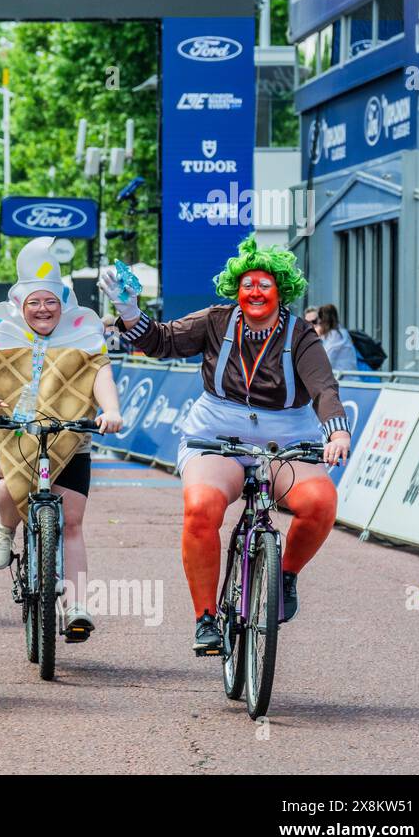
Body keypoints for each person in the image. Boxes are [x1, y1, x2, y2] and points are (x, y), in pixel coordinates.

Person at [101, 237, 350, 654]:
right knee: (201, 509)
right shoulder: (216, 321)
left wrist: (337, 432)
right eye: (247, 284)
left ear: (280, 290)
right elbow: (161, 342)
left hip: (286, 433)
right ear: (236, 289)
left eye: (264, 285)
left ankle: (285, 576)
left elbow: (324, 388)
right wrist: (129, 312)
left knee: (321, 502)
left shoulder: (301, 333)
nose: (255, 292)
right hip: (217, 431)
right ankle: (206, 618)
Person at [0, 238, 123, 640]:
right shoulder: (1, 328)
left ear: (62, 302)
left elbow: (100, 373)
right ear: (21, 304)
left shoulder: (82, 333)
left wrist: (111, 411)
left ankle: (77, 605)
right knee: (9, 483)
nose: (43, 309)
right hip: (9, 430)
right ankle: (5, 528)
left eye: (50, 301)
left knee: (71, 521)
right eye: (34, 302)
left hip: (69, 435)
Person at [307, 304, 359, 372]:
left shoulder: (336, 336)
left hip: (344, 379)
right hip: (342, 377)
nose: (315, 325)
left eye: (317, 322)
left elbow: (324, 361)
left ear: (324, 321)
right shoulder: (338, 333)